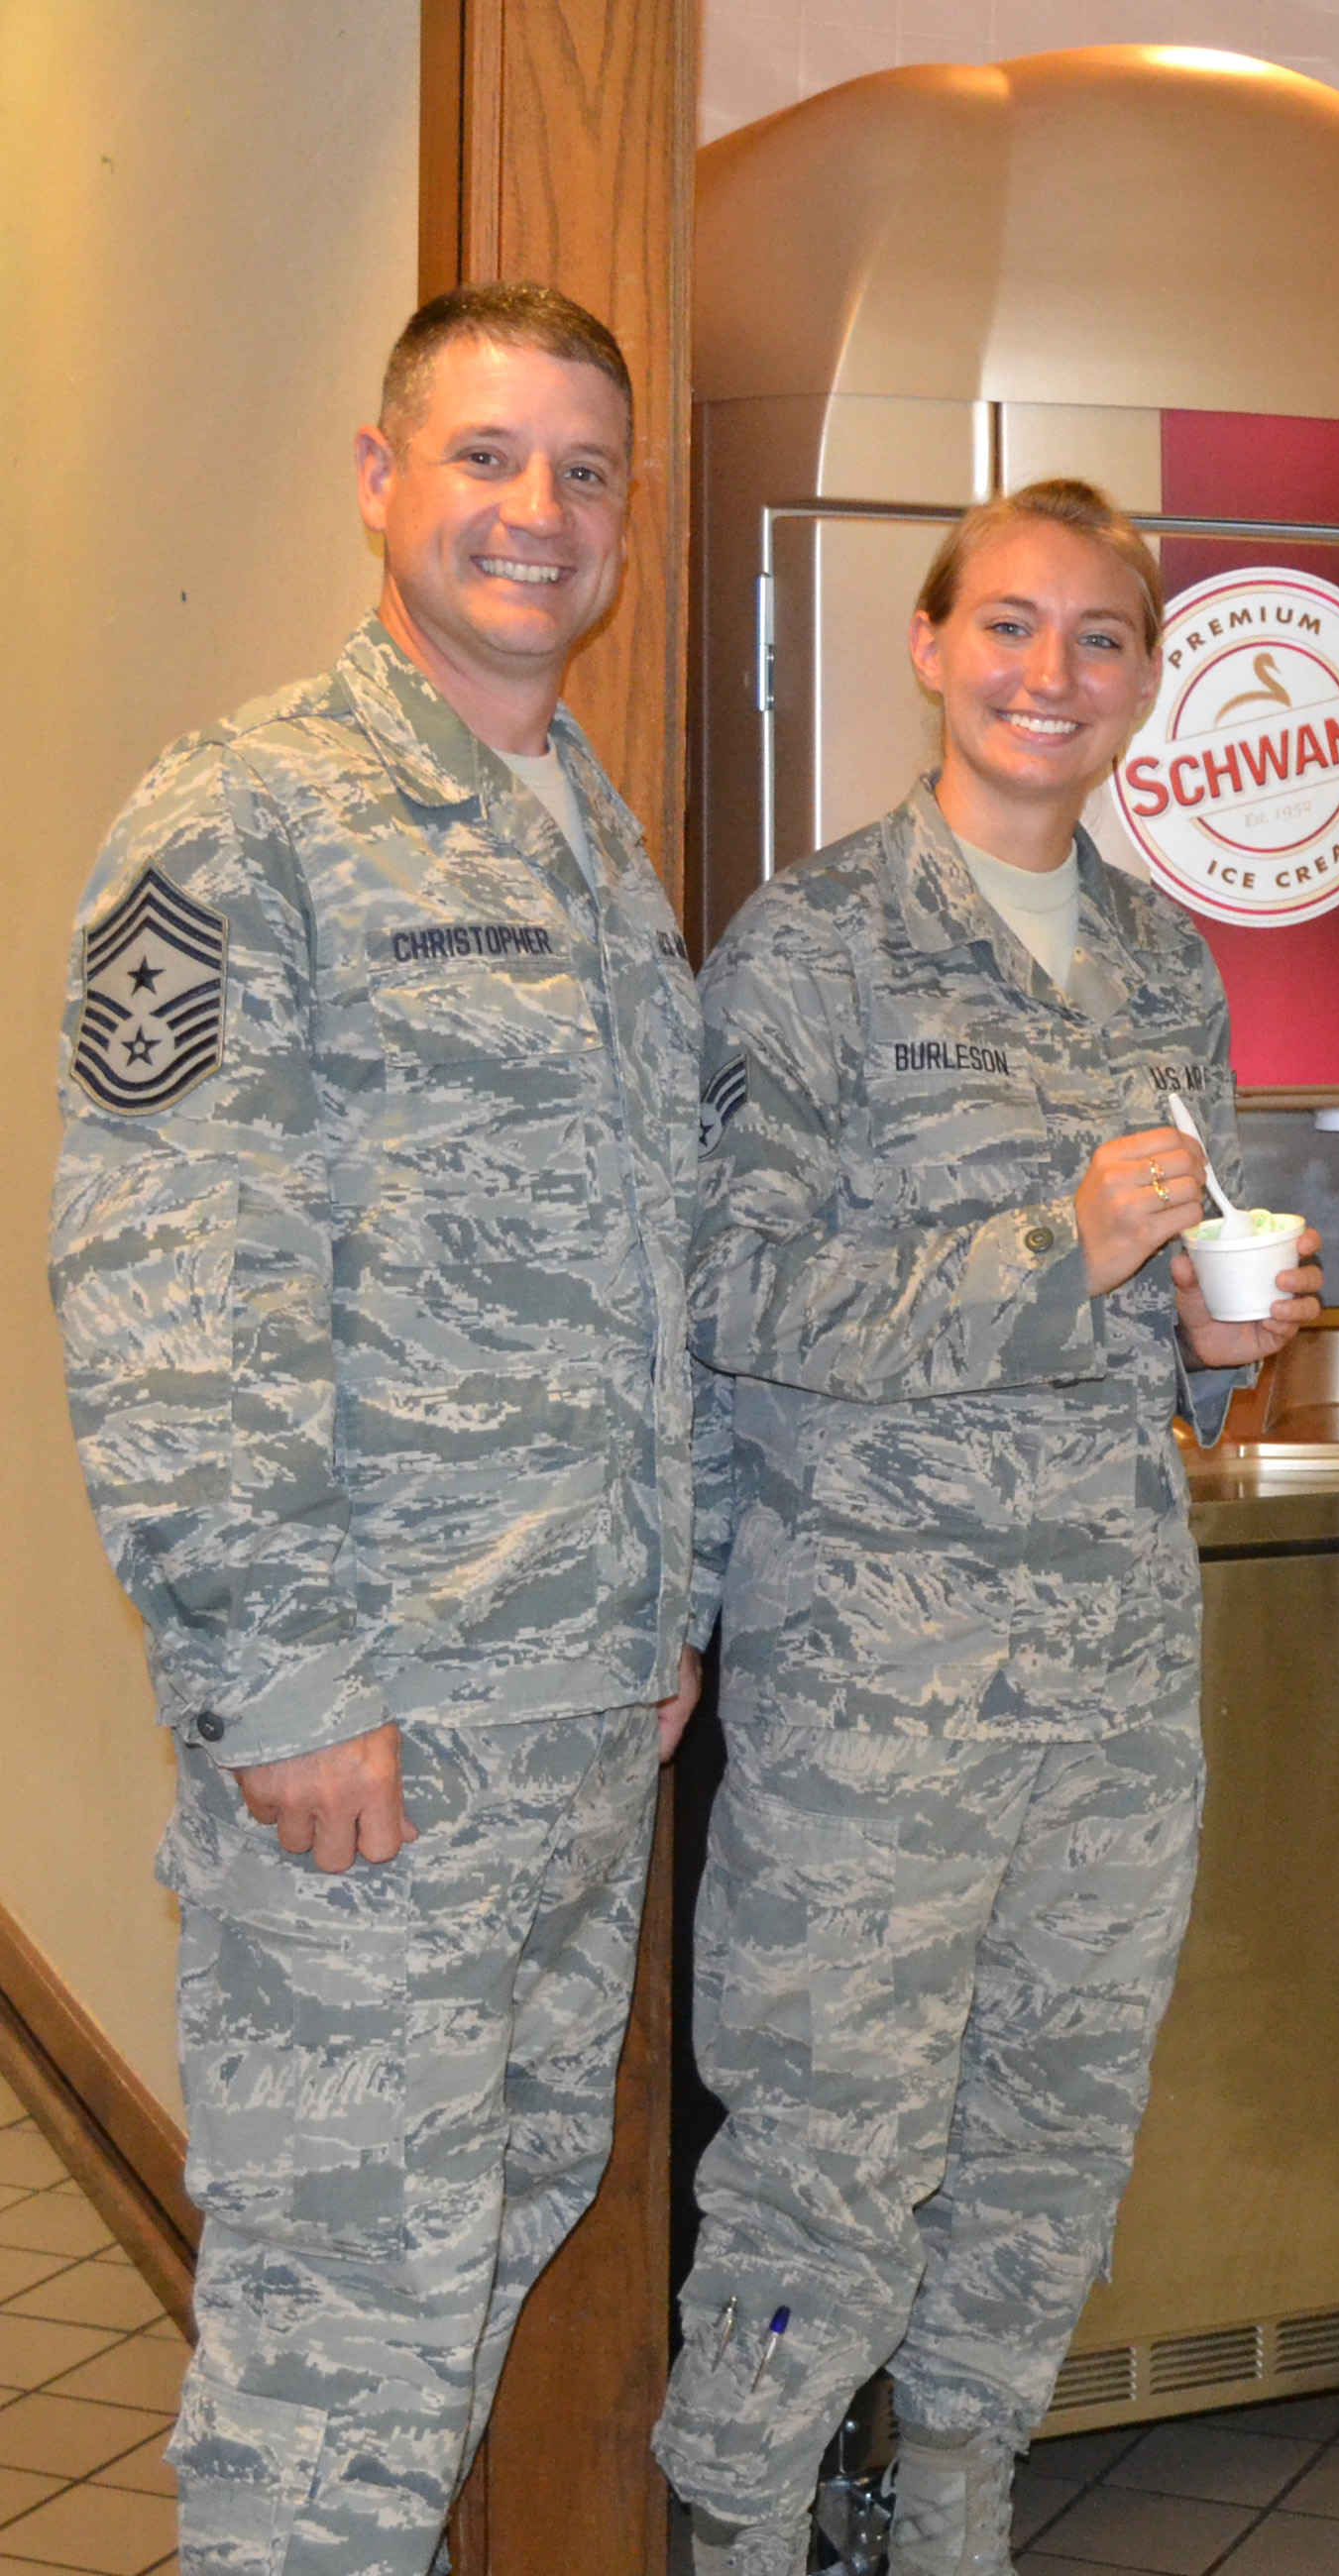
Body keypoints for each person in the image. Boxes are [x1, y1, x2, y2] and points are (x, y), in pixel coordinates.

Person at [50, 282, 715, 2576]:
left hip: (567, 1724)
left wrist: (672, 1608)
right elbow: (165, 1280)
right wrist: (287, 1678)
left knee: (464, 2260)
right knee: (340, 2349)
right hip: (380, 1747)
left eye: (585, 470)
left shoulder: (592, 846)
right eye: (487, 457)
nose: (539, 512)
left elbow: (644, 1267)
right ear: (378, 476)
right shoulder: (246, 821)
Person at [651, 480, 1322, 2576]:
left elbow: (1159, 1327)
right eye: (1009, 627)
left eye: (1099, 638)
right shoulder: (814, 945)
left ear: (1141, 679)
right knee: (820, 2170)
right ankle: (744, 2508)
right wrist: (1059, 1239)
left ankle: (955, 2503)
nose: (1053, 674)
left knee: (1046, 2138)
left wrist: (1234, 1332)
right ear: (932, 647)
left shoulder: (1158, 955)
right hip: (877, 1697)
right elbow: (731, 1296)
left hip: (1111, 1679)